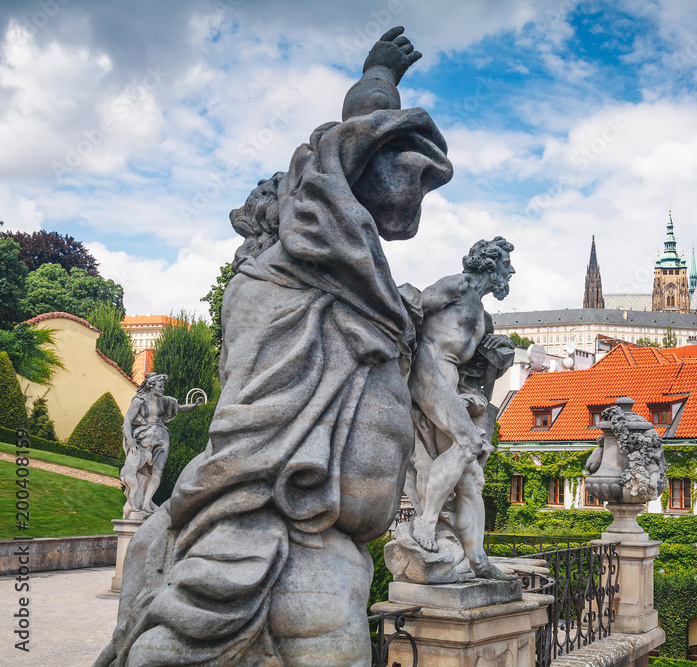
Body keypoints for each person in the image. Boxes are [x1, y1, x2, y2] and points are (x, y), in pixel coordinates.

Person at [98, 27, 453, 666]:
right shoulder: (304, 281)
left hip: (318, 543)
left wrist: (378, 87)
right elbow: (341, 164)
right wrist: (378, 84)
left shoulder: (352, 287)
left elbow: (351, 170)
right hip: (274, 533)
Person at [405, 237, 515, 579]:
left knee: (469, 477)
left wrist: (500, 356)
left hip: (452, 384)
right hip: (428, 368)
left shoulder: (484, 316)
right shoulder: (457, 285)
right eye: (505, 266)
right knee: (469, 444)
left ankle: (477, 559)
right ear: (489, 265)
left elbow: (485, 371)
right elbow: (412, 310)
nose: (509, 272)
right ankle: (425, 522)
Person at [119, 373, 202, 520]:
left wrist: (195, 405)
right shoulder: (139, 401)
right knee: (140, 470)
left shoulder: (165, 401)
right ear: (151, 386)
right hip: (143, 437)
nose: (162, 388)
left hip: (161, 436)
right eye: (160, 386)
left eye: (163, 386)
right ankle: (137, 503)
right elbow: (127, 420)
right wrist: (130, 441)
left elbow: (181, 408)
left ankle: (145, 504)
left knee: (157, 472)